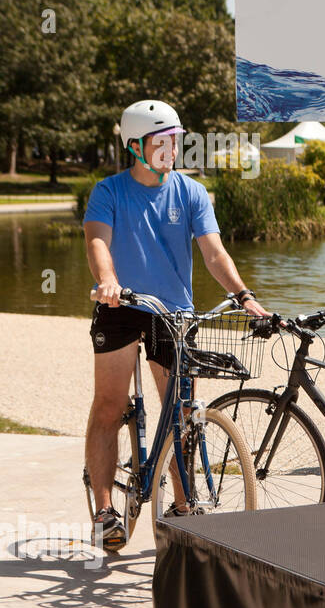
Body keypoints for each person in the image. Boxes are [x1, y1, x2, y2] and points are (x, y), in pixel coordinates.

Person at [83, 100, 270, 549]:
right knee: (109, 405)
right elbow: (97, 242)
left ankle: (185, 508)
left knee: (181, 414)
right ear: (135, 146)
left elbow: (214, 253)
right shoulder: (108, 191)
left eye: (175, 141)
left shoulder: (191, 193)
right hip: (122, 306)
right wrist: (108, 281)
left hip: (174, 313)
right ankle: (106, 509)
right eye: (161, 141)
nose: (172, 148)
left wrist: (243, 295)